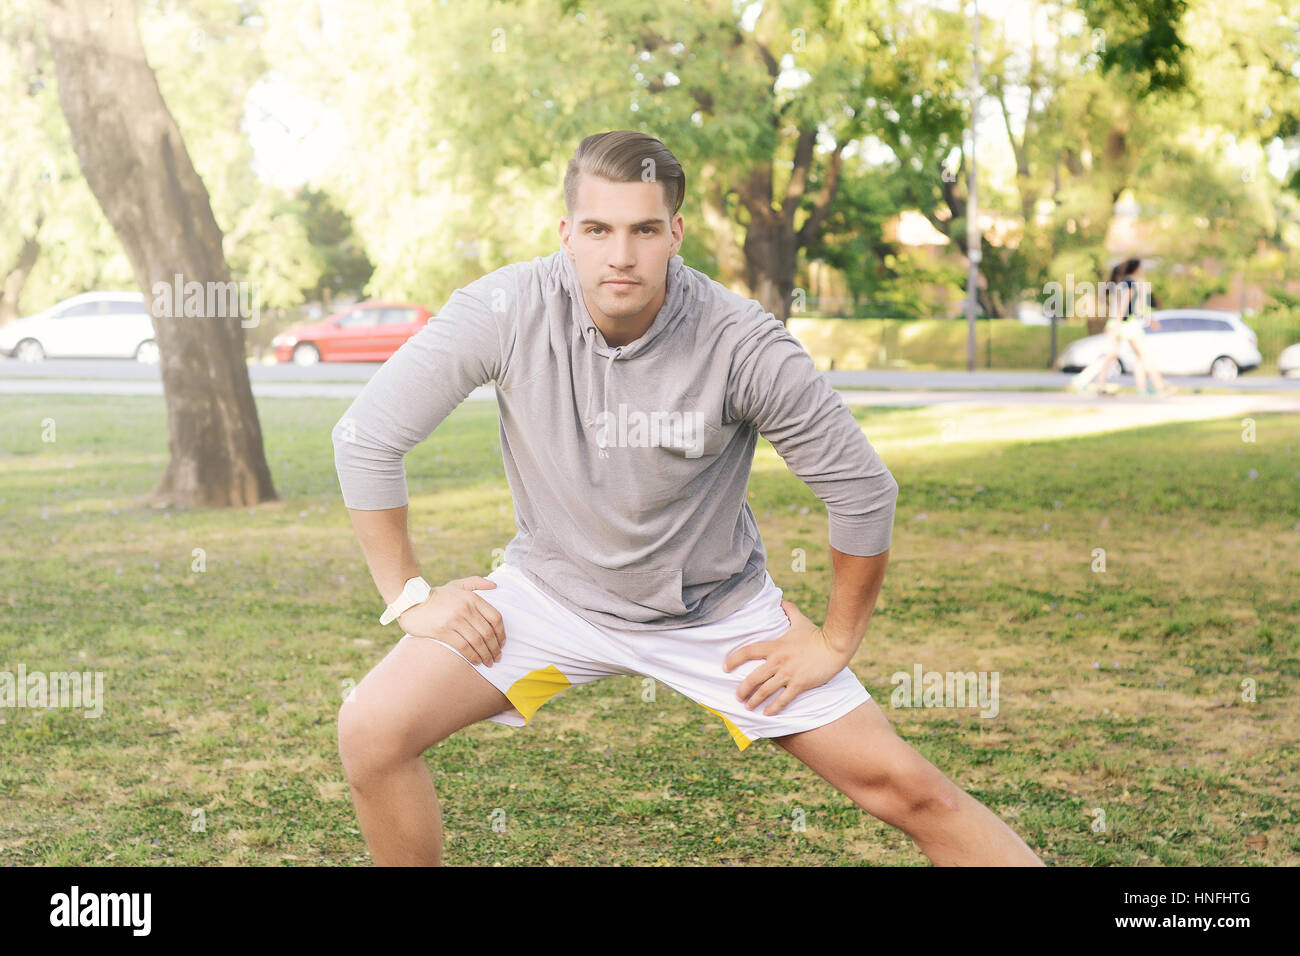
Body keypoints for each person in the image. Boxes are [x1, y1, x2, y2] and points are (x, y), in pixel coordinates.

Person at [332, 129, 1043, 867]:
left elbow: (863, 492)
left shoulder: (742, 344)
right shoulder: (505, 309)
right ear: (566, 233)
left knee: (909, 793)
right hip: (553, 600)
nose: (620, 255)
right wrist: (409, 593)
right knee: (371, 731)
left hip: (715, 617)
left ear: (675, 233)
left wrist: (834, 640)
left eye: (643, 230)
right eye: (599, 230)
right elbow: (365, 438)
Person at [1095, 259, 1173, 397]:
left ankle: (1105, 385)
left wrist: (1147, 320)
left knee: (1120, 356)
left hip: (1120, 322)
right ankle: (1159, 386)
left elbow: (1129, 307)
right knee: (1143, 355)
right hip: (1126, 324)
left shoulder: (1121, 283)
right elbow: (1126, 305)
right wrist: (1117, 323)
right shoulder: (1130, 283)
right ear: (1136, 269)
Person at [1067, 262, 1127, 395]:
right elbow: (1120, 309)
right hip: (1116, 324)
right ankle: (1085, 379)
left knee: (1111, 355)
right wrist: (1117, 323)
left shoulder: (1115, 287)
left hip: (1114, 323)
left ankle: (1098, 383)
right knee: (1109, 355)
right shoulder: (1120, 288)